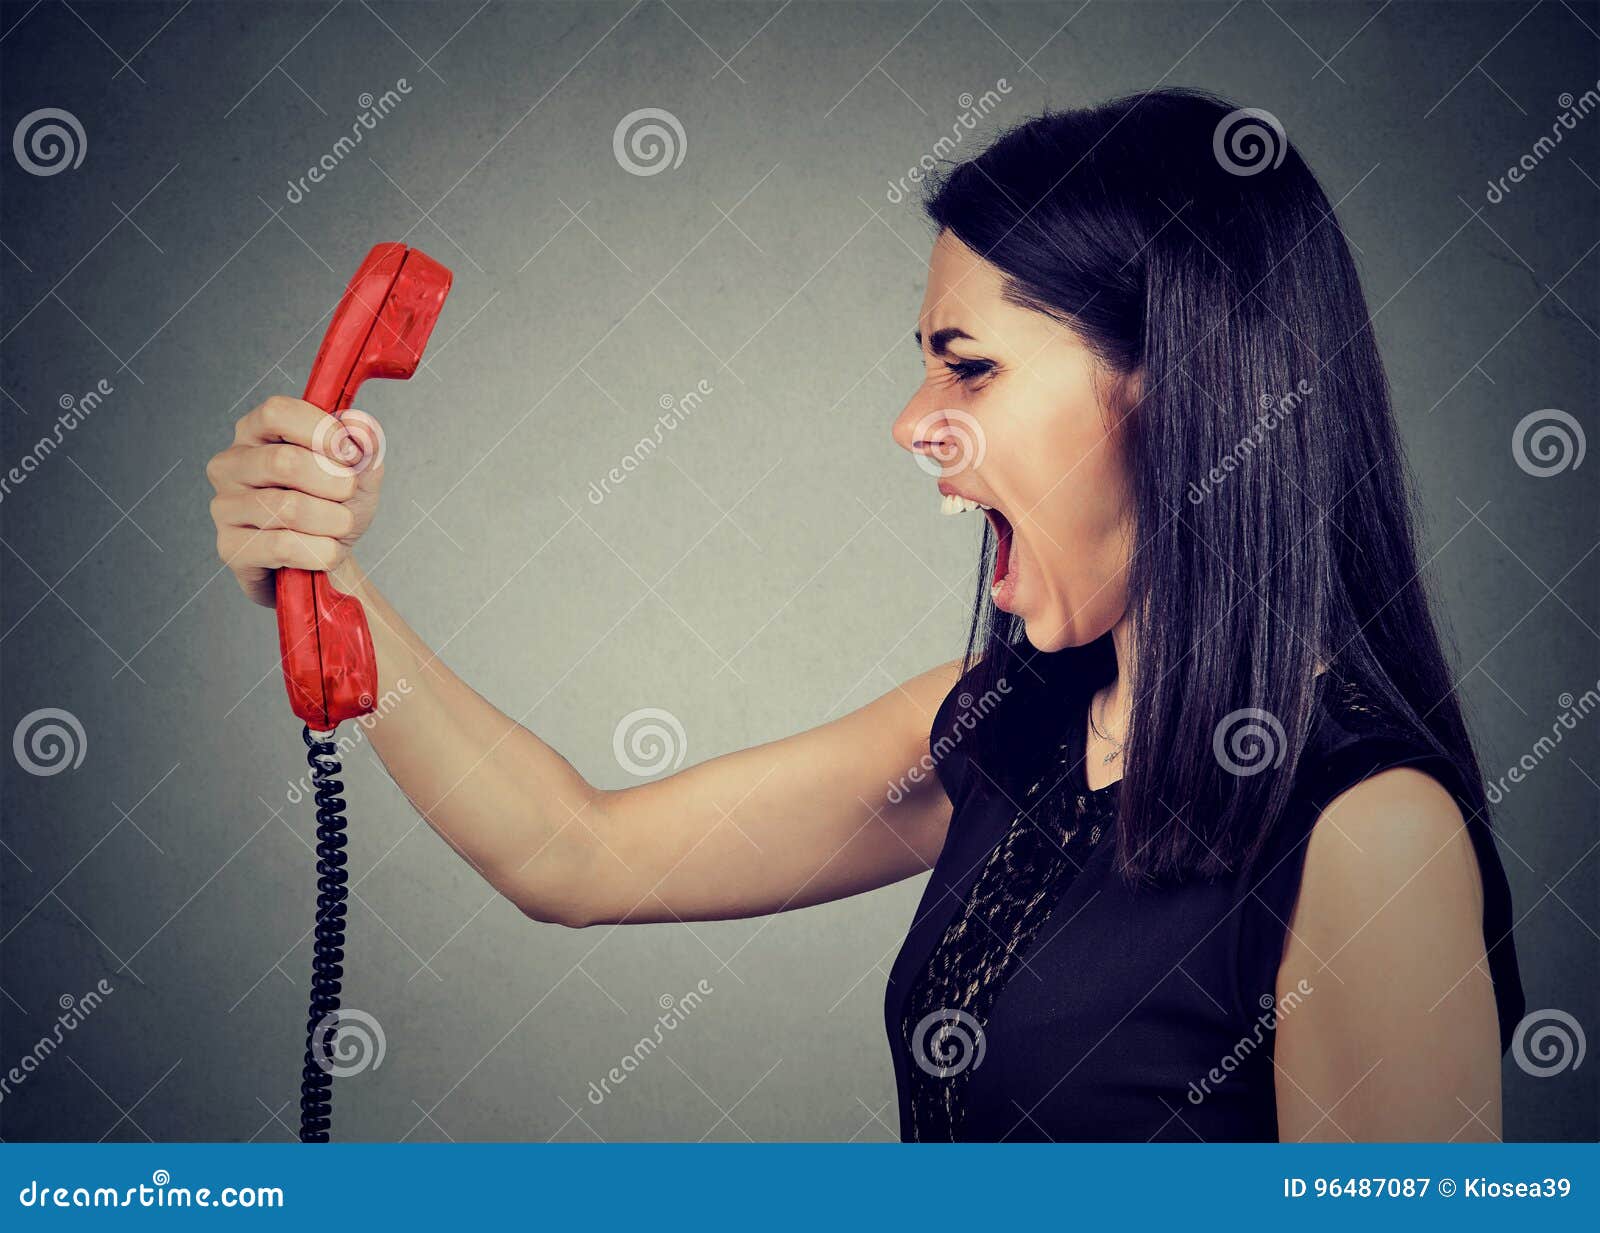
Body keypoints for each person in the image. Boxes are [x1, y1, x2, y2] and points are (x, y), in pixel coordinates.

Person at [207, 88, 1524, 1141]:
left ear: (1178, 389)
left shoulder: (1371, 837)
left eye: (970, 365)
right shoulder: (1007, 730)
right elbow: (577, 852)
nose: (912, 424)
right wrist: (334, 588)